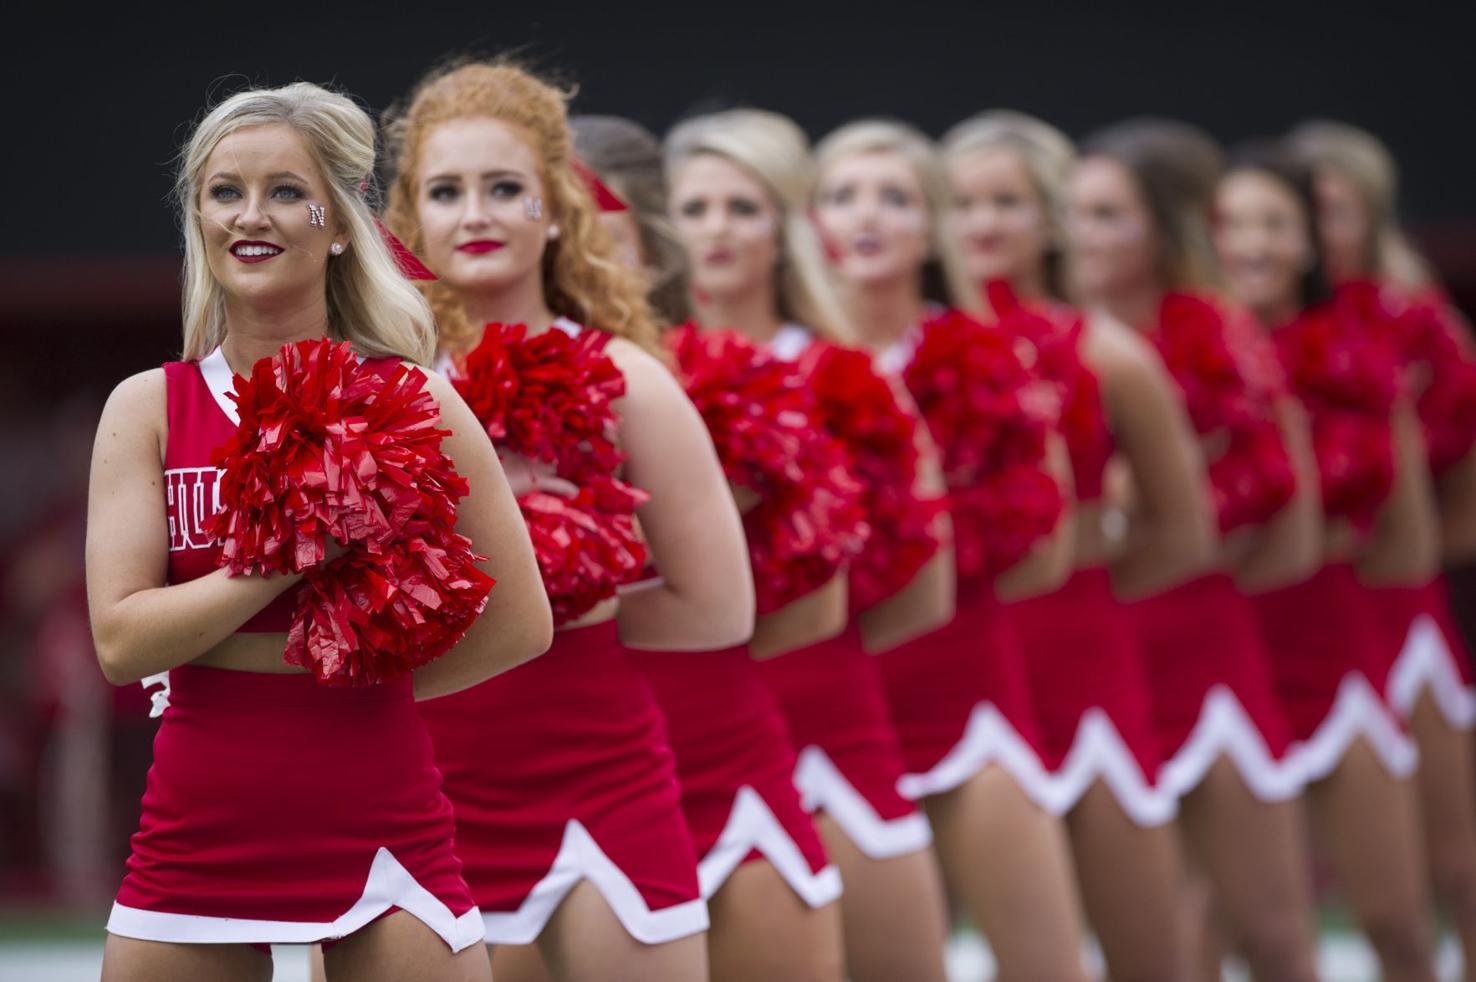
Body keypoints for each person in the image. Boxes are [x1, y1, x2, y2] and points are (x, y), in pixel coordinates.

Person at [90, 81, 552, 982]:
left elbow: (520, 622)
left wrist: (359, 676)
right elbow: (118, 639)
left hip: (382, 808)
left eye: (284, 191)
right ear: (199, 217)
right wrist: (290, 561)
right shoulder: (148, 407)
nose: (249, 216)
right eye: (225, 192)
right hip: (198, 816)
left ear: (339, 222)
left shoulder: (416, 400)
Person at [382, 61, 753, 982]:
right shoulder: (370, 388)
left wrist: (567, 613)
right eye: (447, 191)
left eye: (506, 188)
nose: (476, 213)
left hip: (602, 776)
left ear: (556, 209)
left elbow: (718, 608)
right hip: (415, 788)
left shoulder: (629, 378)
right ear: (410, 219)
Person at [663, 106, 952, 982]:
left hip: (833, 723)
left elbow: (924, 592)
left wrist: (792, 644)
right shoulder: (639, 373)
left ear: (789, 228)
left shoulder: (845, 374)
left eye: (743, 208)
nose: (716, 231)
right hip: (668, 735)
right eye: (694, 208)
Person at [812, 117, 1091, 980]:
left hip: (969, 684)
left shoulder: (985, 354)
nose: (867, 215)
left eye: (895, 198)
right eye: (842, 195)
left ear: (932, 225)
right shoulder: (778, 363)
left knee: (1046, 960)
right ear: (808, 220)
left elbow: (1050, 541)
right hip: (825, 704)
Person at [938, 109, 1207, 979]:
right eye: (962, 201)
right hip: (948, 665)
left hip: (1083, 658)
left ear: (1050, 217)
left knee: (1142, 948)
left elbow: (1183, 527)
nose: (981, 223)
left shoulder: (1108, 353)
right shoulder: (900, 351)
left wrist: (1084, 565)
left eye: (1006, 202)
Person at [1067, 118, 1325, 979]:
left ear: (1164, 227)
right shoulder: (1048, 341)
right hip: (1093, 658)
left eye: (1108, 214)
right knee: (1146, 942)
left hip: (1209, 647)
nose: (1082, 234)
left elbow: (1286, 507)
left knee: (1274, 929)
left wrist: (1183, 546)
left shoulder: (1217, 330)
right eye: (1074, 213)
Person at [1217, 140, 1448, 980]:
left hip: (1339, 646)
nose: (1252, 242)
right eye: (1231, 222)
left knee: (1394, 916)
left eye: (1276, 223)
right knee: (1227, 928)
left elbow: (1411, 551)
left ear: (1312, 243)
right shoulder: (1170, 361)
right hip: (1213, 663)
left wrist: (1388, 433)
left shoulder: (1360, 354)